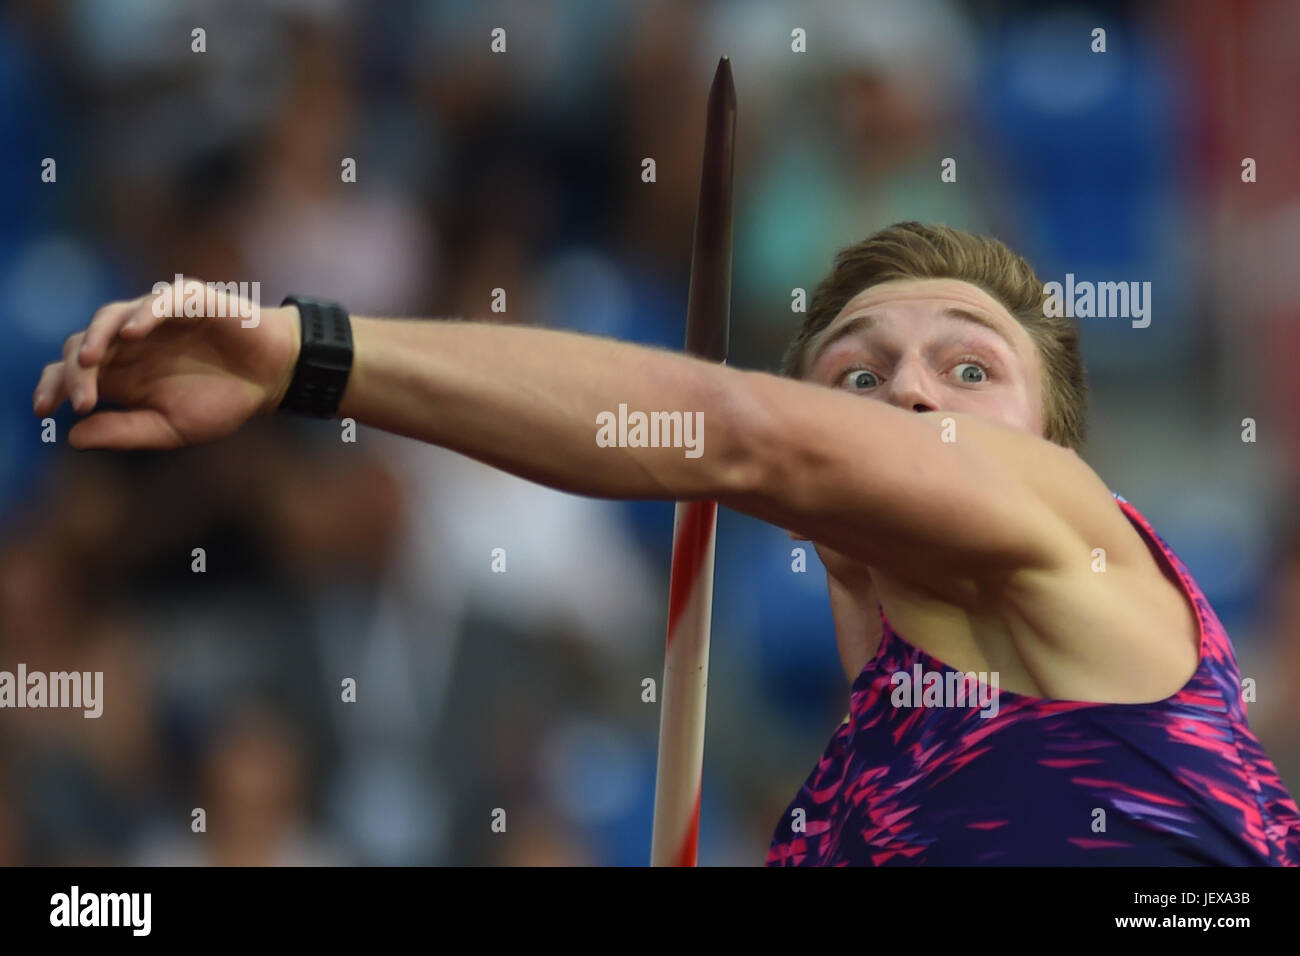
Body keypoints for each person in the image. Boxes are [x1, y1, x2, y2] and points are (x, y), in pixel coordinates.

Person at [33, 221, 1300, 865]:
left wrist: (300, 353)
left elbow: (740, 430)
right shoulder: (850, 787)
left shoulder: (1068, 519)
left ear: (1048, 442)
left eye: (969, 365)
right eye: (854, 378)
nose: (910, 393)